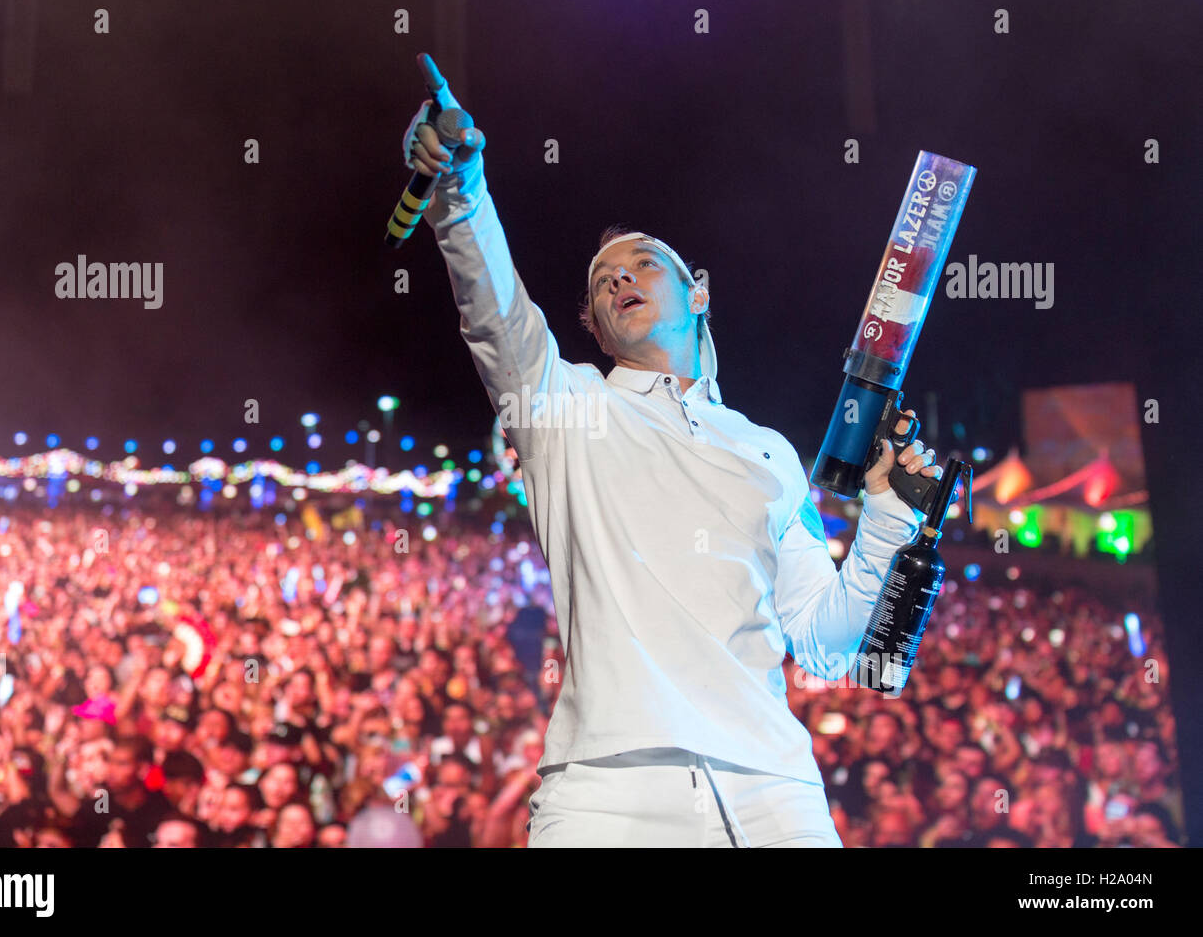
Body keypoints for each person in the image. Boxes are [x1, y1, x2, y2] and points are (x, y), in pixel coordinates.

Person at [403, 66, 943, 847]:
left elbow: (829, 646)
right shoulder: (566, 411)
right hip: (608, 790)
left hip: (776, 794)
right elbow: (494, 313)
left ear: (698, 295)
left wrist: (890, 516)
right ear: (590, 323)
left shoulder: (768, 453)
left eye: (644, 262)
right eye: (602, 280)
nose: (621, 274)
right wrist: (460, 193)